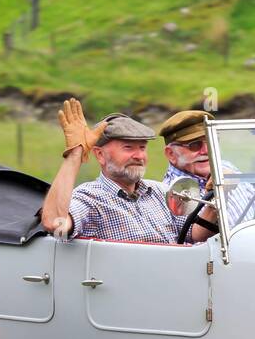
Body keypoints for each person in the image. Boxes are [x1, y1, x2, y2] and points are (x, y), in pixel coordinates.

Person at [40, 100, 218, 243]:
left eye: (142, 147)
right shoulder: (90, 197)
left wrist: (216, 196)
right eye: (128, 147)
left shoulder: (160, 191)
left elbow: (195, 234)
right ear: (100, 155)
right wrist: (75, 155)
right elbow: (54, 223)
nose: (139, 155)